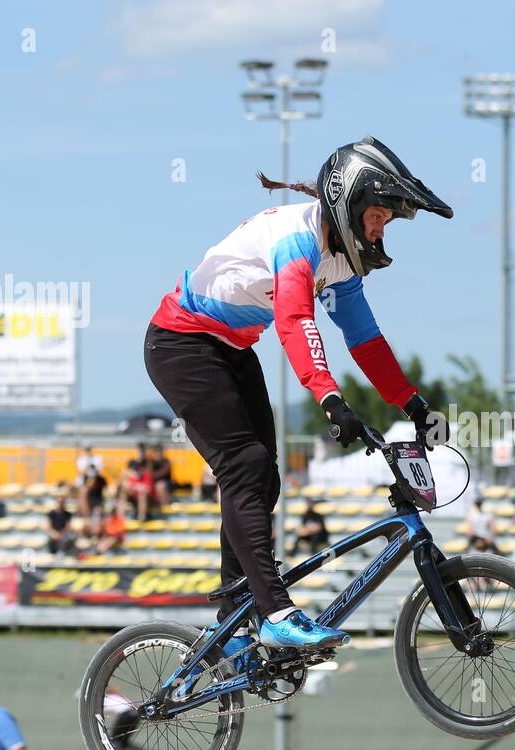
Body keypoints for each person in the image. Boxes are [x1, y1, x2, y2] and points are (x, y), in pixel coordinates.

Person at [143, 136, 452, 652]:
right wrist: (330, 399)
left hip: (229, 348)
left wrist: (411, 401)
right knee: (245, 466)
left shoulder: (341, 258)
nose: (380, 229)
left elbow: (365, 339)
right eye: (377, 216)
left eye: (385, 222)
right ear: (349, 204)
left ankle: (232, 620)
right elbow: (293, 320)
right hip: (181, 343)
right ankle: (274, 613)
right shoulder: (298, 240)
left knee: (265, 477)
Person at [148, 443, 173, 513]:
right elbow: (149, 473)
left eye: (160, 451)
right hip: (154, 483)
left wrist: (154, 475)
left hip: (166, 483)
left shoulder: (166, 461)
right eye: (157, 451)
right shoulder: (151, 462)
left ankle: (163, 508)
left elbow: (163, 472)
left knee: (160, 486)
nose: (158, 453)